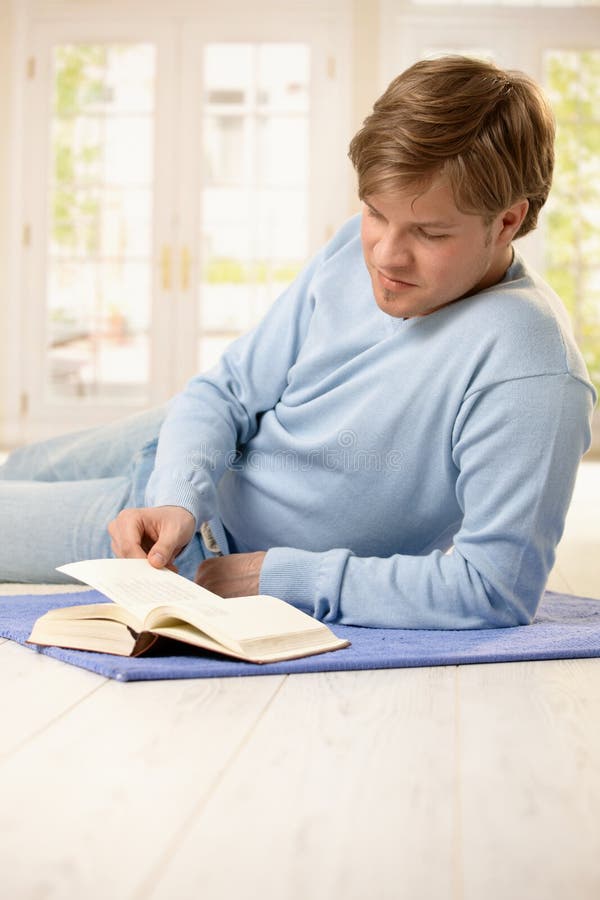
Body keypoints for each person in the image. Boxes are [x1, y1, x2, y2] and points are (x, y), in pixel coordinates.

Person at [1, 55, 596, 629]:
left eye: (429, 231)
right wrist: (179, 496)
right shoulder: (354, 248)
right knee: (19, 464)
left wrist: (276, 576)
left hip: (191, 554)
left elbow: (494, 588)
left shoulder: (532, 369)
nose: (386, 254)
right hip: (183, 460)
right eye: (375, 214)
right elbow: (227, 389)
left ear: (509, 221)